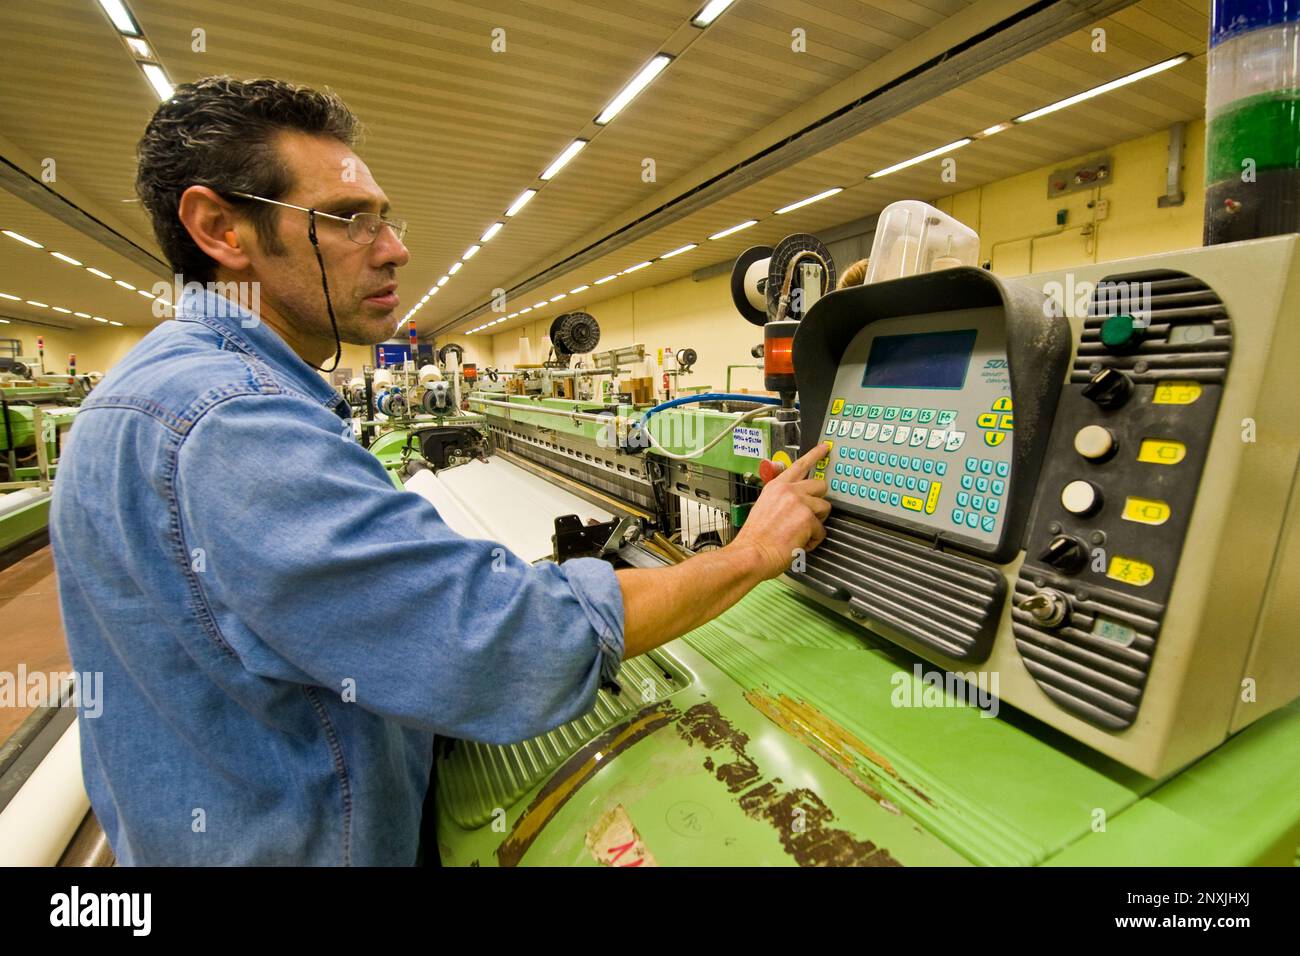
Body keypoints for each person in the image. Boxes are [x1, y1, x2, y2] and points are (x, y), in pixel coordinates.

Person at [49, 77, 830, 865]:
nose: (394, 247)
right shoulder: (229, 420)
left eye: (385, 217)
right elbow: (500, 642)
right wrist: (750, 554)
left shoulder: (147, 393)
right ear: (219, 227)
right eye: (348, 220)